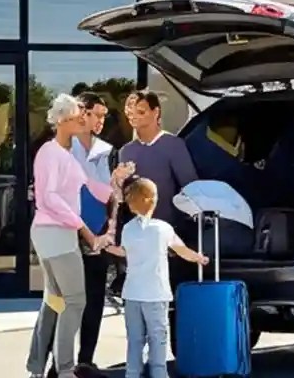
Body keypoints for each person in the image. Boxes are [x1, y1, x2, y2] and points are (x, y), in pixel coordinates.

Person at [26, 94, 133, 378]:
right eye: (77, 117)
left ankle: (38, 368)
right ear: (63, 121)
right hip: (55, 234)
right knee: (75, 301)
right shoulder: (50, 152)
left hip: (58, 233)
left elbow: (89, 186)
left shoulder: (64, 153)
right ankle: (64, 370)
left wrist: (117, 185)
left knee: (56, 301)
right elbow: (48, 198)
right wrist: (83, 229)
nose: (82, 121)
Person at [105, 177, 208, 378]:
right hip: (156, 293)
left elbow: (124, 252)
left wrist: (106, 247)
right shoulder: (163, 229)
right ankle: (159, 374)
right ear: (151, 199)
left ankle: (132, 374)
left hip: (132, 293)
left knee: (135, 340)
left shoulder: (128, 229)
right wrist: (199, 258)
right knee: (157, 339)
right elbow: (181, 250)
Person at [119, 90, 199, 226]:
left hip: (170, 228)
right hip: (136, 229)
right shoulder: (126, 151)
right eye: (130, 113)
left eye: (141, 112)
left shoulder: (173, 145)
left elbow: (190, 187)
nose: (134, 117)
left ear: (155, 112)